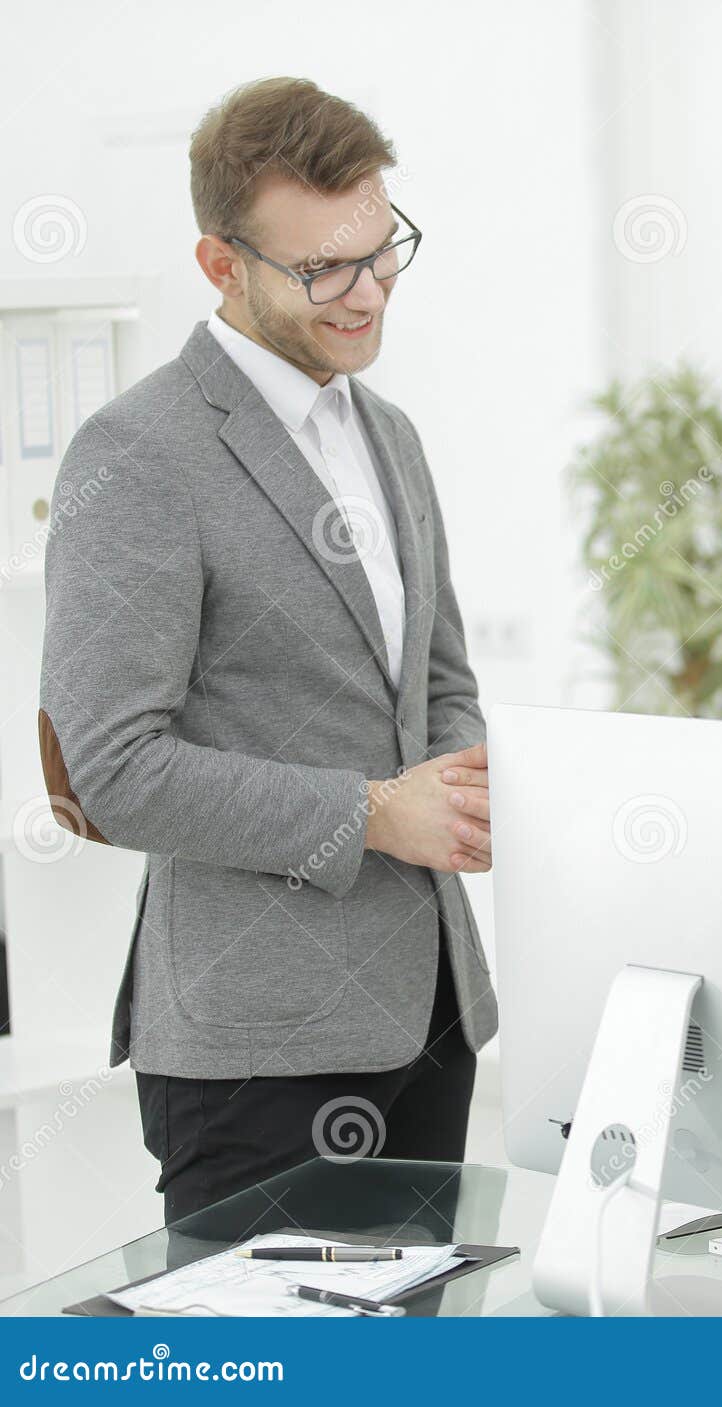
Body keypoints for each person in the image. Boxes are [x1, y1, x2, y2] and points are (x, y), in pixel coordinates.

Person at [39, 77, 497, 1224]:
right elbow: (115, 767)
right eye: (321, 270)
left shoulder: (388, 432)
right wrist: (375, 813)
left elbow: (436, 682)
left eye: (381, 251)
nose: (365, 294)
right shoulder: (139, 454)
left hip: (428, 1017)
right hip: (257, 1055)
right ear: (220, 264)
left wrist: (464, 782)